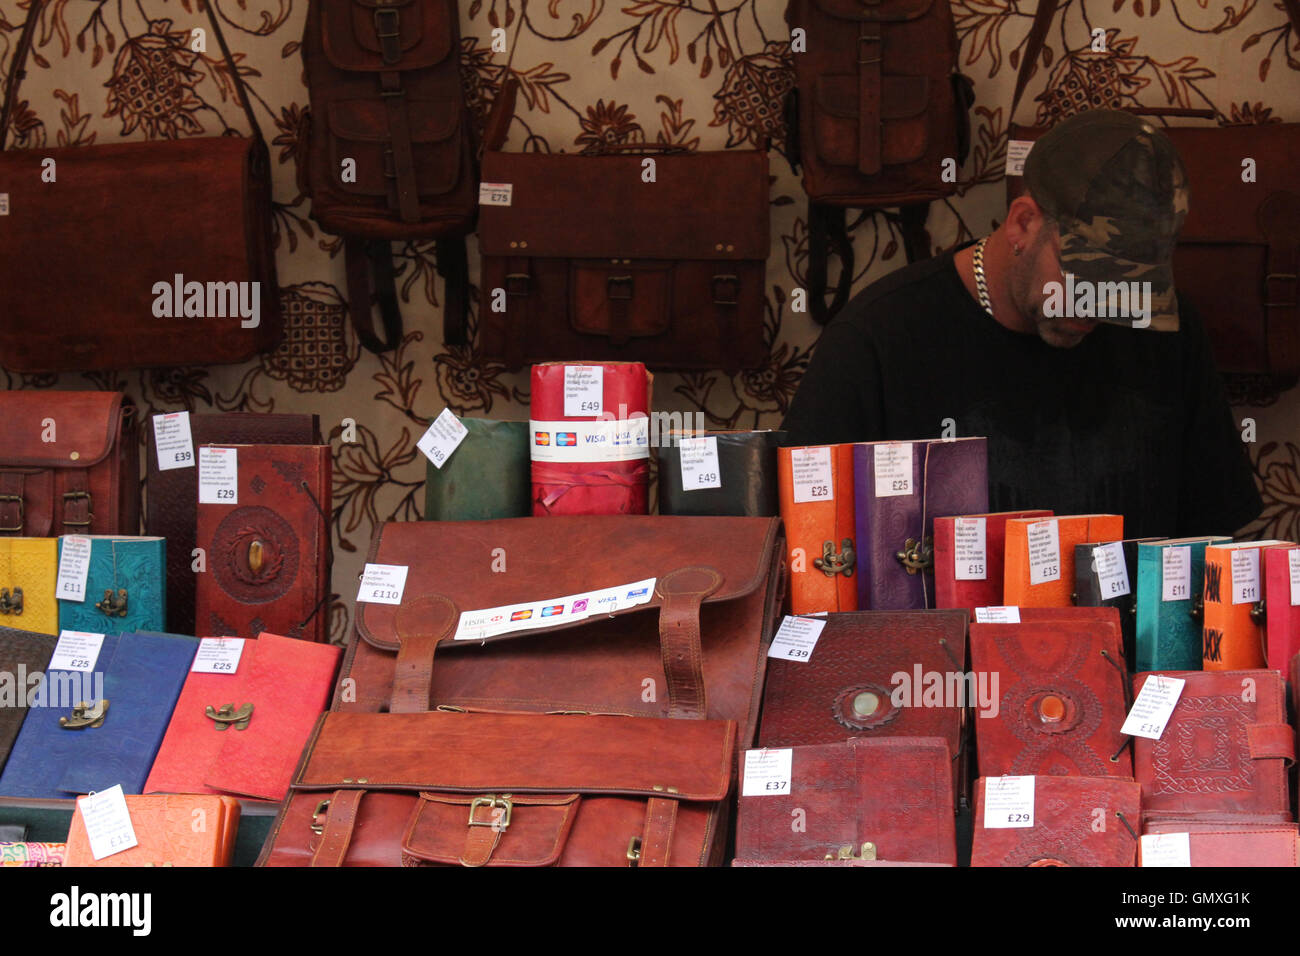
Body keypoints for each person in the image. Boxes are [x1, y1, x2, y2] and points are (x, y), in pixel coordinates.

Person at [781, 109, 1261, 539]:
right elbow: (808, 555)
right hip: (943, 639)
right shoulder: (876, 341)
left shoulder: (1167, 333)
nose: (1105, 305)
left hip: (1133, 636)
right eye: (1088, 277)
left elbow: (1212, 538)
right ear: (1023, 224)